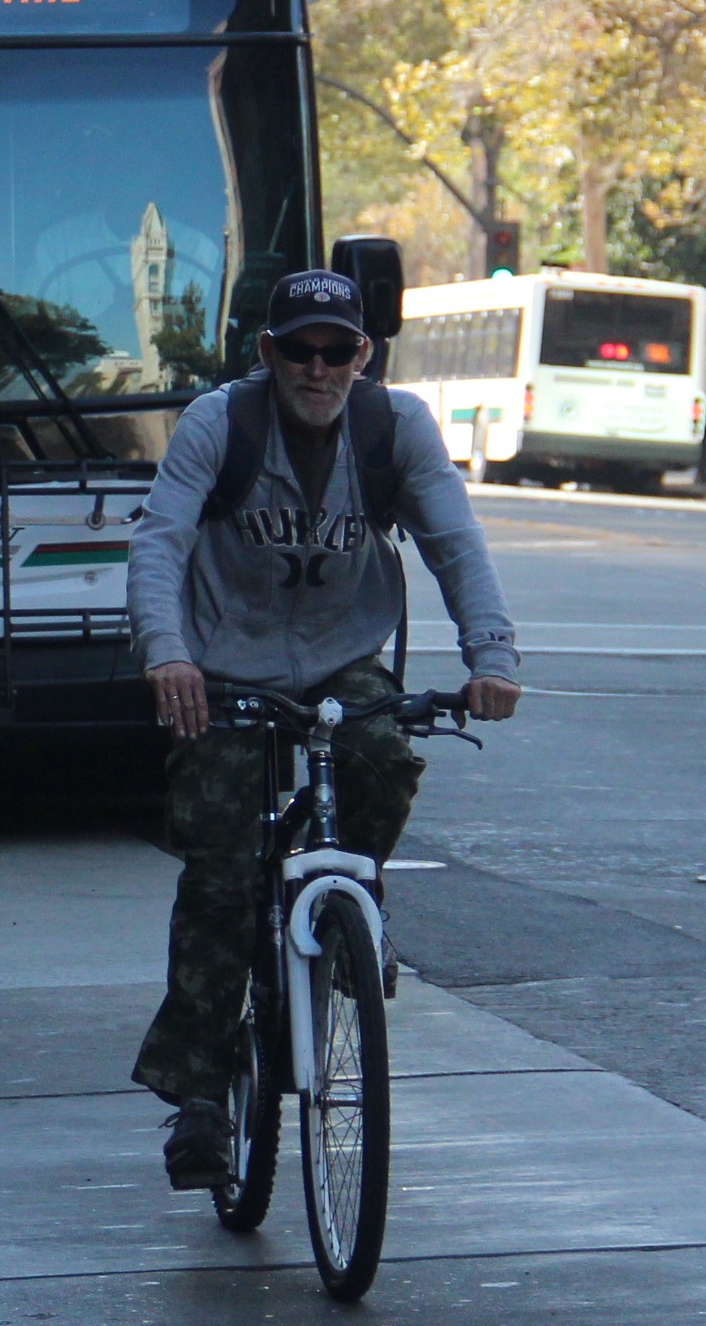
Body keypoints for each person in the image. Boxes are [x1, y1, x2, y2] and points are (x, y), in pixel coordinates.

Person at [126, 268, 523, 1192]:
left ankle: (351, 906)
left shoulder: (396, 428)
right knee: (221, 865)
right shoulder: (219, 424)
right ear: (268, 353)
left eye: (336, 351)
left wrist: (492, 657)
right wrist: (167, 655)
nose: (317, 368)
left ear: (363, 356)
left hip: (342, 659)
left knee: (383, 756)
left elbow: (455, 543)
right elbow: (159, 542)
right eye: (299, 351)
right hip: (226, 666)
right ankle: (200, 1097)